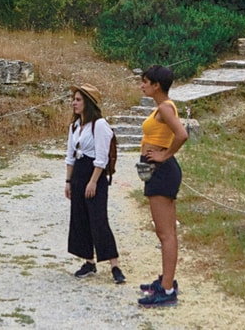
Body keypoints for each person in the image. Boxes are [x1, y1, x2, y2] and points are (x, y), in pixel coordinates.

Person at [136, 64, 188, 308]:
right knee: (166, 232)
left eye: (146, 81)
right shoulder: (163, 107)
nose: (143, 85)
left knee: (165, 233)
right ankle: (166, 280)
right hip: (159, 171)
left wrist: (164, 155)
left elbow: (182, 134)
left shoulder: (165, 108)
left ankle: (167, 289)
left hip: (162, 172)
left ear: (157, 85)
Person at [63, 83, 125, 284]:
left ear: (88, 103)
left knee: (98, 219)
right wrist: (68, 181)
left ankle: (114, 264)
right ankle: (89, 261)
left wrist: (93, 181)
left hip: (93, 173)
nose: (74, 103)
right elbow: (70, 156)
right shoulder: (75, 126)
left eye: (79, 100)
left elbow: (101, 157)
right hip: (79, 173)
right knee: (80, 217)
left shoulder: (99, 125)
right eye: (74, 99)